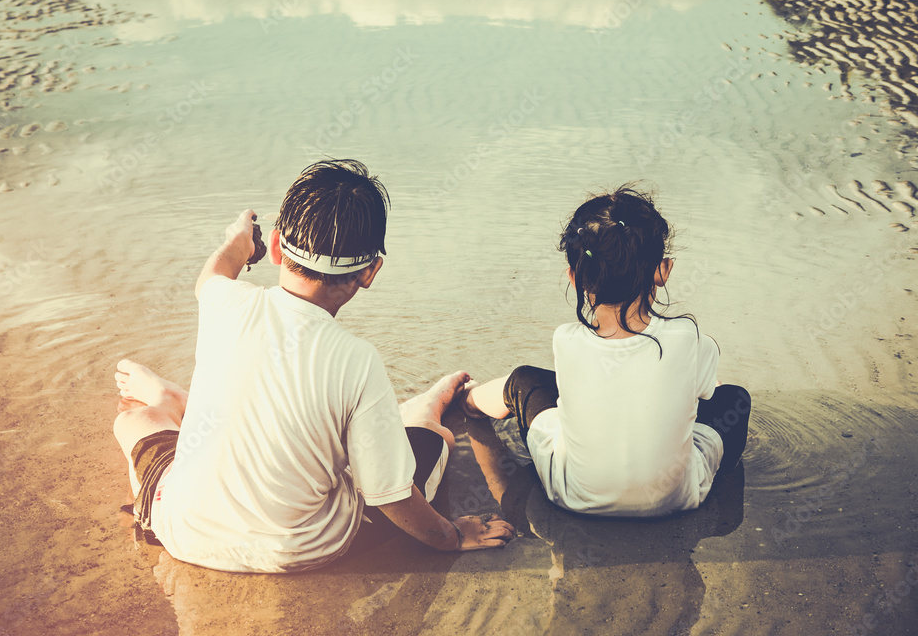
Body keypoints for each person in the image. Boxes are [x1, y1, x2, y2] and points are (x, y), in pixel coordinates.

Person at [112, 159, 515, 573]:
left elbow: (213, 273)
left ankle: (172, 401)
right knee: (432, 438)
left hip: (183, 532)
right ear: (371, 272)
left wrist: (238, 240)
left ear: (272, 247)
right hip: (297, 551)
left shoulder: (223, 300)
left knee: (134, 423)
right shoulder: (357, 359)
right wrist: (451, 537)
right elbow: (389, 495)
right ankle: (426, 407)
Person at [462, 185, 751, 517]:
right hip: (677, 500)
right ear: (663, 270)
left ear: (574, 277)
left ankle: (469, 402)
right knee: (734, 399)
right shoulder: (691, 339)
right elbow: (704, 395)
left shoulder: (566, 341)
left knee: (525, 380)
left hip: (573, 497)